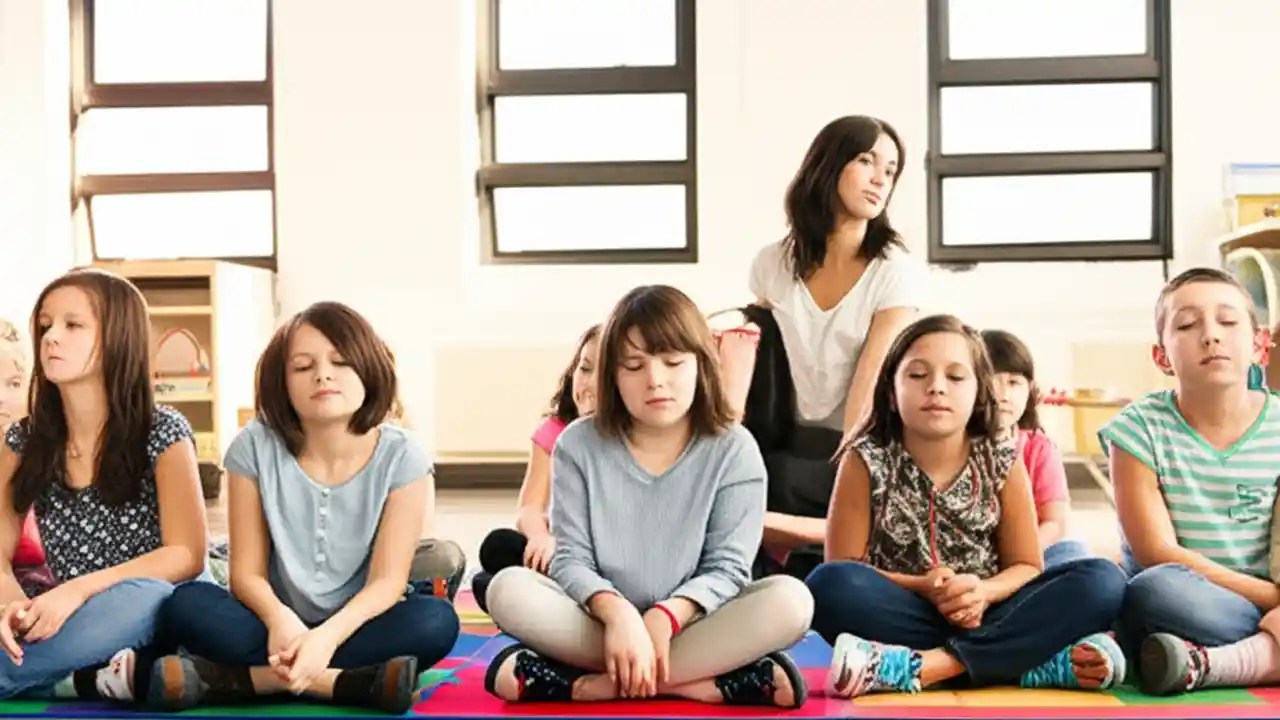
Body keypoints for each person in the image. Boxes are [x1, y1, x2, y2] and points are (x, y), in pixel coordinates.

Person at [483, 286, 813, 708]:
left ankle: (582, 684)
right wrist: (618, 614)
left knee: (792, 601)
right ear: (613, 376)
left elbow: (728, 568)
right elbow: (571, 559)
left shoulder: (734, 448)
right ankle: (703, 684)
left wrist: (665, 616)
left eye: (673, 362)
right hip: (598, 621)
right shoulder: (577, 444)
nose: (656, 380)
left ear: (701, 364)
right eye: (634, 366)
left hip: (693, 622)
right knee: (506, 589)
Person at [149, 302, 460, 714]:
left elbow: (387, 583)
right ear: (282, 382)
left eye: (342, 362)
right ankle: (345, 684)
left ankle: (237, 682)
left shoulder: (404, 456)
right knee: (185, 605)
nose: (323, 374)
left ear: (370, 369)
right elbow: (246, 575)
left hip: (355, 625)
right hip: (270, 624)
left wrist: (325, 638)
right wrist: (281, 620)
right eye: (302, 366)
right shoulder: (253, 446)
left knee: (436, 622)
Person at [805, 314, 1127, 697]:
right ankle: (1020, 661)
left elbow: (1025, 565)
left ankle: (929, 666)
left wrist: (983, 592)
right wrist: (924, 586)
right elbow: (844, 564)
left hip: (990, 610)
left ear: (977, 393)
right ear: (891, 392)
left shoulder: (1002, 461)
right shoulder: (864, 460)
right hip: (906, 609)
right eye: (917, 375)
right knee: (829, 586)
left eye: (956, 378)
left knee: (1103, 580)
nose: (937, 388)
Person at [0, 269, 207, 701]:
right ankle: (85, 678)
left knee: (143, 596)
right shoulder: (22, 440)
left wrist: (75, 591)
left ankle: (36, 676)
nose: (51, 337)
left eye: (72, 325)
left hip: (144, 604)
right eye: (45, 325)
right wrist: (15, 608)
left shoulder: (163, 430)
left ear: (117, 338)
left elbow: (186, 554)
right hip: (67, 616)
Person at [740, 115, 928, 576]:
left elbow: (870, 390)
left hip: (860, 445)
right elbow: (757, 366)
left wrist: (850, 477)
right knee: (747, 474)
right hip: (783, 436)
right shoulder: (772, 264)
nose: (881, 178)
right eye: (866, 161)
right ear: (828, 165)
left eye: (891, 168)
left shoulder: (893, 272)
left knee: (781, 482)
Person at [1099, 268, 1280, 688]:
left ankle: (1211, 661)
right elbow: (1156, 552)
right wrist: (1272, 599)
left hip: (1262, 597)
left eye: (1228, 321)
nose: (1211, 335)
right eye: (1187, 324)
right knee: (1155, 589)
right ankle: (1258, 652)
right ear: (1161, 356)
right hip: (1195, 599)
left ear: (1260, 345)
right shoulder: (1137, 428)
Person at [471, 324, 600, 612]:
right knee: (497, 550)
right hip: (554, 552)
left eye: (604, 375)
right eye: (585, 368)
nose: (589, 384)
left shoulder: (630, 441)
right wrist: (541, 538)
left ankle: (562, 603)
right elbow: (529, 507)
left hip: (598, 558)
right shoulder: (554, 431)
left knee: (497, 584)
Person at [980, 329, 1089, 566]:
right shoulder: (954, 443)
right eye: (991, 381)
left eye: (1014, 382)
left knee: (1085, 562)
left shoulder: (1039, 447)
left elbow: (1054, 522)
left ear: (1030, 390)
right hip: (971, 559)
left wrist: (1021, 557)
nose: (1003, 395)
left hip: (1033, 552)